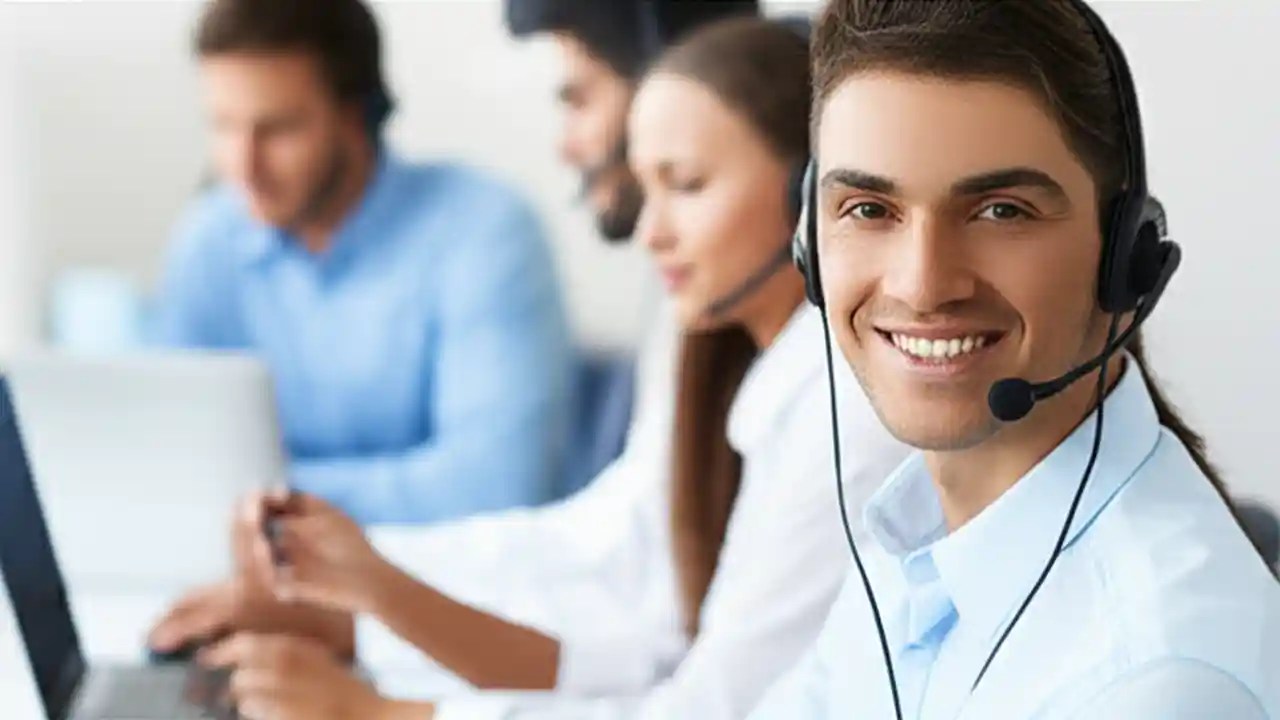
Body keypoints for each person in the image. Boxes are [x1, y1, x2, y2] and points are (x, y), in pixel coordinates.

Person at [150, 18, 910, 720]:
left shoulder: (842, 408)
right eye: (646, 188)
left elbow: (701, 702)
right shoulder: (716, 342)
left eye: (685, 186)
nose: (650, 233)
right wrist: (357, 594)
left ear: (813, 195)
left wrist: (381, 710)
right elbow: (635, 615)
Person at [749, 1, 1280, 718]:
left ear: (1126, 261)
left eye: (1001, 211)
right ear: (810, 247)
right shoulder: (914, 546)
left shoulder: (1155, 684)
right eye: (870, 209)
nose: (923, 286)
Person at [152, 0, 573, 525]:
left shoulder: (484, 232)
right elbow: (171, 463)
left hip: (435, 571)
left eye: (277, 129)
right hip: (259, 569)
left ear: (358, 116)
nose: (243, 166)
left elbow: (494, 485)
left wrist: (260, 496)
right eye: (222, 126)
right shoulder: (208, 239)